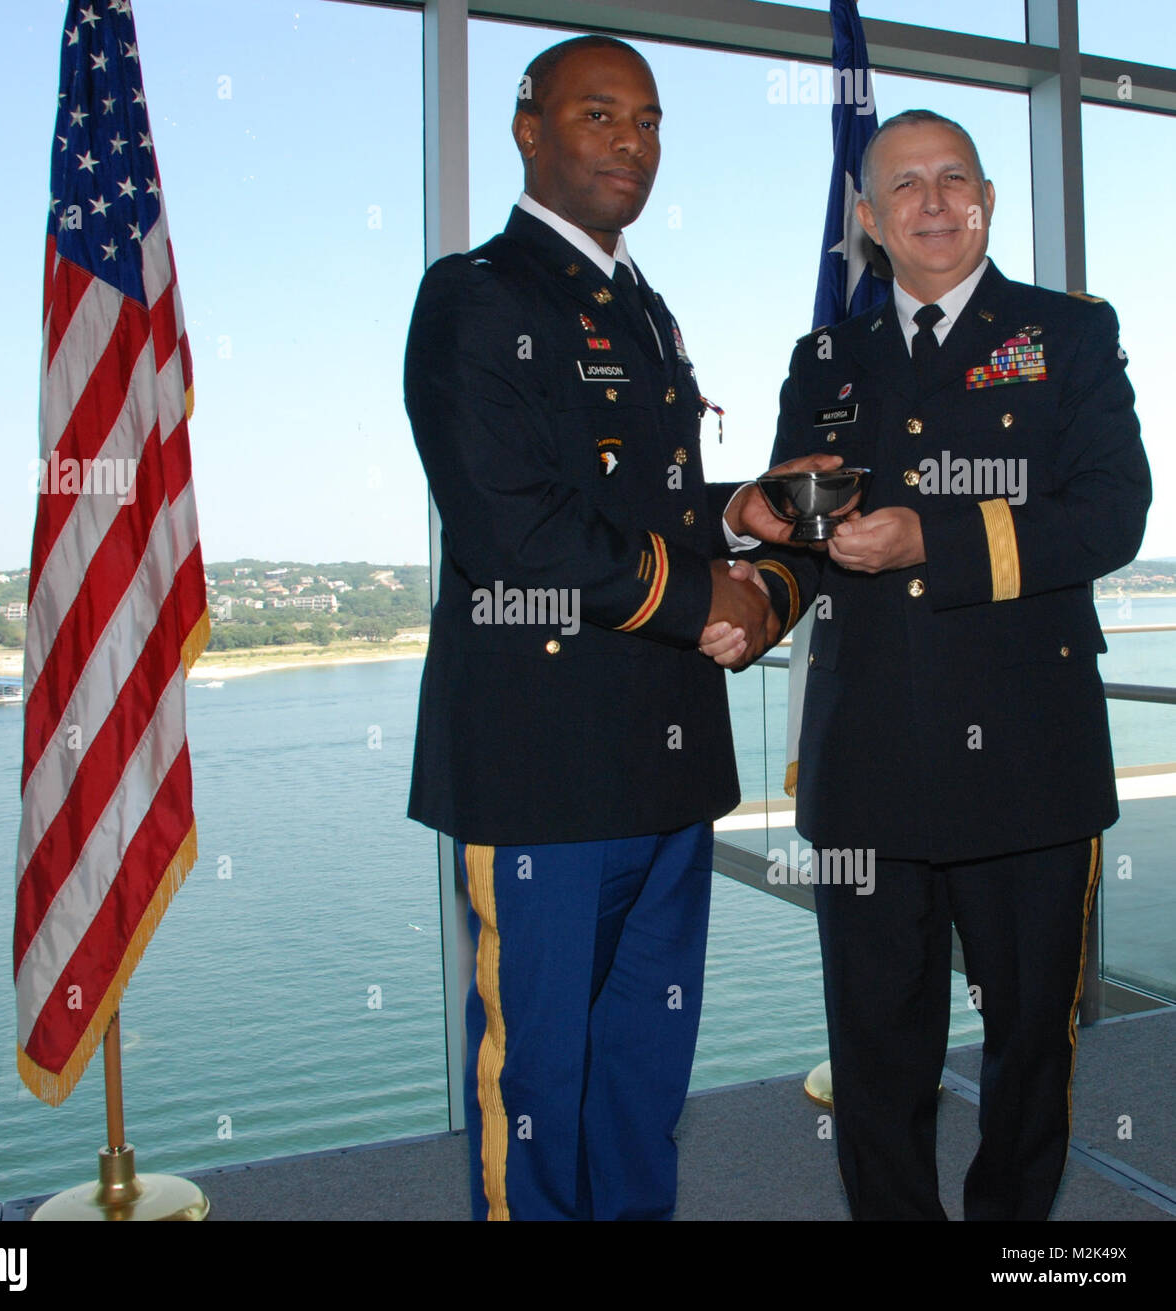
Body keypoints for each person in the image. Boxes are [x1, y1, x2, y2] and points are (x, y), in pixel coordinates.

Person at [403, 34, 819, 1221]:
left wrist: (736, 516)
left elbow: (643, 502)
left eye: (647, 120)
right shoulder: (475, 294)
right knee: (535, 1074)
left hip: (665, 755)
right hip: (542, 761)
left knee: (642, 1066)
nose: (631, 140)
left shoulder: (643, 309)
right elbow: (512, 525)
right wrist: (709, 600)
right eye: (599, 115)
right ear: (528, 129)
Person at [724, 109, 1151, 1220]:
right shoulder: (826, 358)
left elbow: (1111, 515)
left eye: (952, 177)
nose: (930, 201)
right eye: (903, 185)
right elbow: (809, 541)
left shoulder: (1067, 332)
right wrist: (762, 589)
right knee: (875, 1045)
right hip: (865, 755)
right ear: (866, 219)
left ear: (986, 199)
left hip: (1027, 753)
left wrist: (935, 541)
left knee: (1026, 1047)